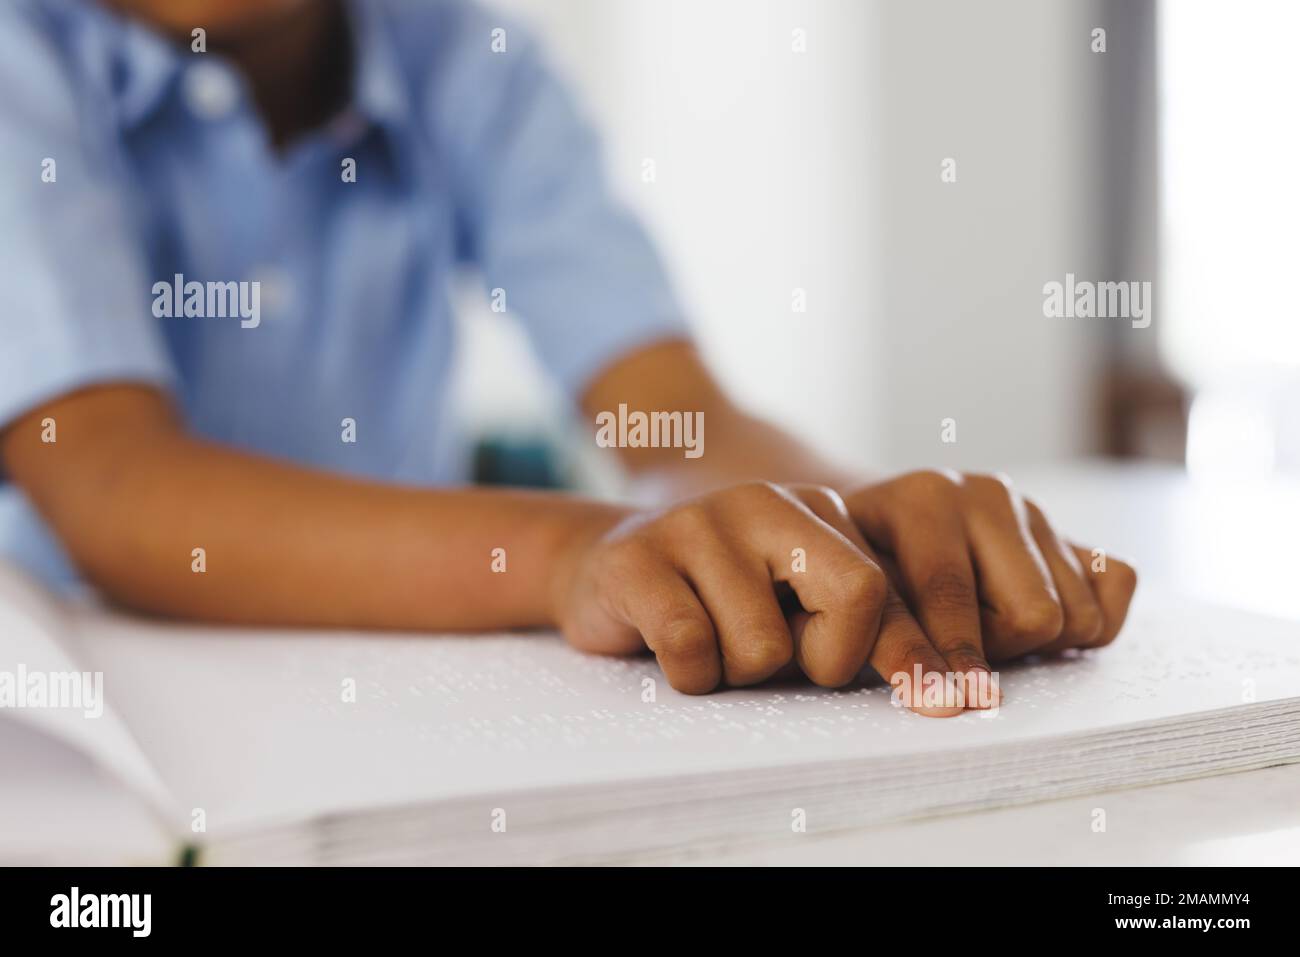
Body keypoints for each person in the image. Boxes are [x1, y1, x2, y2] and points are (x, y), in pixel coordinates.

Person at [0, 0, 1136, 715]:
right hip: (87, 722)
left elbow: (669, 409)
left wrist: (850, 525)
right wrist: (572, 554)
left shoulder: (460, 54)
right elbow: (109, 483)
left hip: (393, 697)